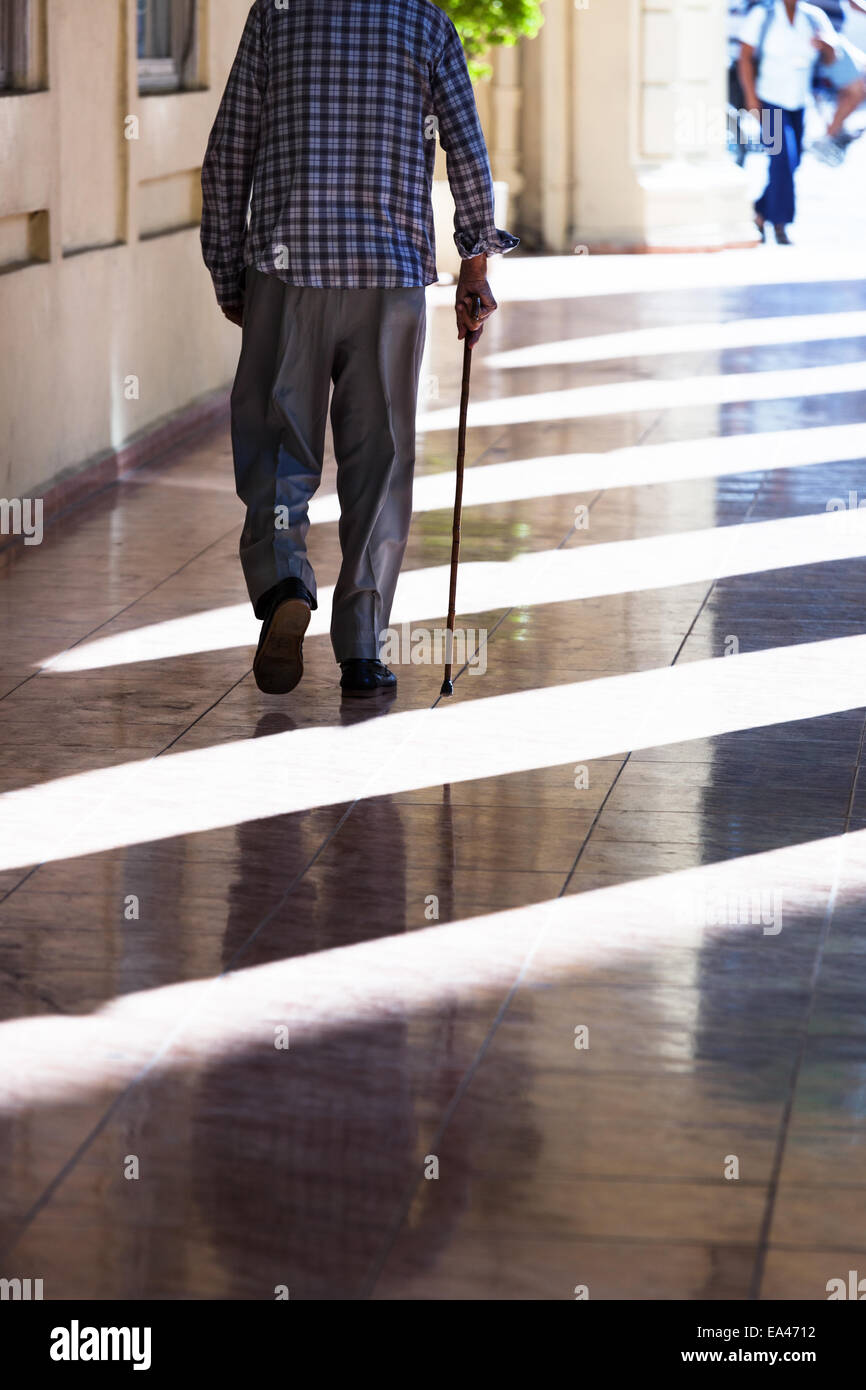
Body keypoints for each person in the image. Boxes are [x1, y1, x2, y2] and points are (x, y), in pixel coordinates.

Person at [200, 0, 518, 698]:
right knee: (381, 458)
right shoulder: (424, 22)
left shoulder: (277, 15)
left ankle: (285, 579)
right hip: (390, 278)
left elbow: (229, 155)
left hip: (288, 272)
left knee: (279, 446)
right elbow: (465, 147)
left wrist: (228, 269)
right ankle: (363, 649)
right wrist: (475, 257)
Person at [738, 0, 839, 242]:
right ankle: (781, 224)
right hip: (770, 99)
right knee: (781, 157)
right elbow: (745, 58)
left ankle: (760, 212)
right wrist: (752, 99)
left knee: (792, 162)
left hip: (798, 101)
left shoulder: (814, 17)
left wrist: (826, 47)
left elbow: (831, 59)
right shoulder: (763, 15)